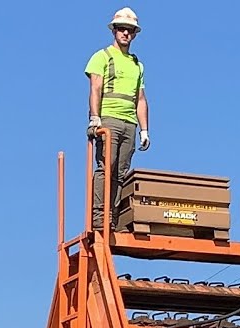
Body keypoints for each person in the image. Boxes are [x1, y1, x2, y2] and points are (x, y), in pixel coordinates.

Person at [85, 7, 149, 233]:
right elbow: (95, 88)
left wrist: (144, 130)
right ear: (114, 30)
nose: (125, 33)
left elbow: (140, 98)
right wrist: (95, 118)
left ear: (134, 34)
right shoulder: (102, 57)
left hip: (129, 123)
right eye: (121, 29)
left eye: (130, 30)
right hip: (109, 120)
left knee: (120, 173)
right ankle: (99, 217)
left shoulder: (136, 65)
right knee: (106, 168)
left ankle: (112, 220)